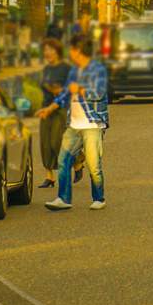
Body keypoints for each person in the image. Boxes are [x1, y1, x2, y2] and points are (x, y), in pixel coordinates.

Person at [45, 39, 109, 211]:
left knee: (94, 164)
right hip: (73, 124)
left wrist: (80, 90)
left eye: (72, 49)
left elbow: (99, 93)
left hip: (92, 124)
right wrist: (50, 108)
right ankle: (63, 199)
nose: (70, 53)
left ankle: (99, 198)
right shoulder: (74, 70)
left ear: (79, 50)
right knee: (63, 160)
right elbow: (66, 92)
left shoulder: (98, 70)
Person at [35, 40, 71, 188]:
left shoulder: (66, 68)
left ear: (58, 51)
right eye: (45, 50)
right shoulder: (46, 69)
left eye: (50, 49)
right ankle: (49, 177)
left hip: (60, 108)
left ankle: (77, 160)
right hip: (45, 108)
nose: (47, 53)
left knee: (56, 142)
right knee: (45, 143)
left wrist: (56, 91)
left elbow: (67, 91)